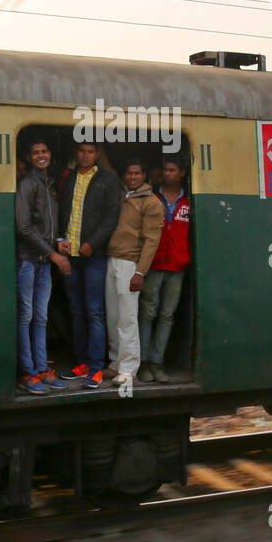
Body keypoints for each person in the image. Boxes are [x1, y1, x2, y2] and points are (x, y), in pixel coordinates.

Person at [56, 142, 122, 389]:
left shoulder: (107, 179)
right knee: (77, 311)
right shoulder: (68, 178)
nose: (85, 155)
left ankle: (96, 368)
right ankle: (82, 362)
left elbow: (111, 217)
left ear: (97, 155)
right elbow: (62, 212)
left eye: (90, 151)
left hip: (93, 255)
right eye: (82, 151)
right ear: (77, 153)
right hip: (69, 255)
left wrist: (92, 244)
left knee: (94, 311)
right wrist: (60, 240)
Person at [15, 139, 72, 394]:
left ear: (50, 154)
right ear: (29, 157)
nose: (41, 155)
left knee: (40, 317)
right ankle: (27, 372)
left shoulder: (47, 183)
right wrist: (53, 255)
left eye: (44, 151)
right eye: (36, 152)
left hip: (42, 262)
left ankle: (41, 368)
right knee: (26, 317)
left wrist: (58, 240)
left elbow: (46, 224)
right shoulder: (27, 183)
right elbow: (23, 226)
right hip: (28, 261)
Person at [104, 160, 165, 385]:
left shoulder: (151, 202)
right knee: (113, 316)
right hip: (111, 259)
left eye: (137, 173)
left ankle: (129, 369)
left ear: (144, 175)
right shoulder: (122, 194)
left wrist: (140, 272)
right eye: (129, 173)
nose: (132, 177)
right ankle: (115, 362)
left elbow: (152, 241)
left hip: (130, 264)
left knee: (127, 318)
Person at [138, 159, 191, 382]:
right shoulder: (152, 197)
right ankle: (142, 363)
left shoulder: (189, 201)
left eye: (172, 170)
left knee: (167, 316)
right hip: (154, 264)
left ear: (182, 172)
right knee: (147, 314)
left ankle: (157, 363)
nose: (168, 174)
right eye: (165, 170)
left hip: (177, 266)